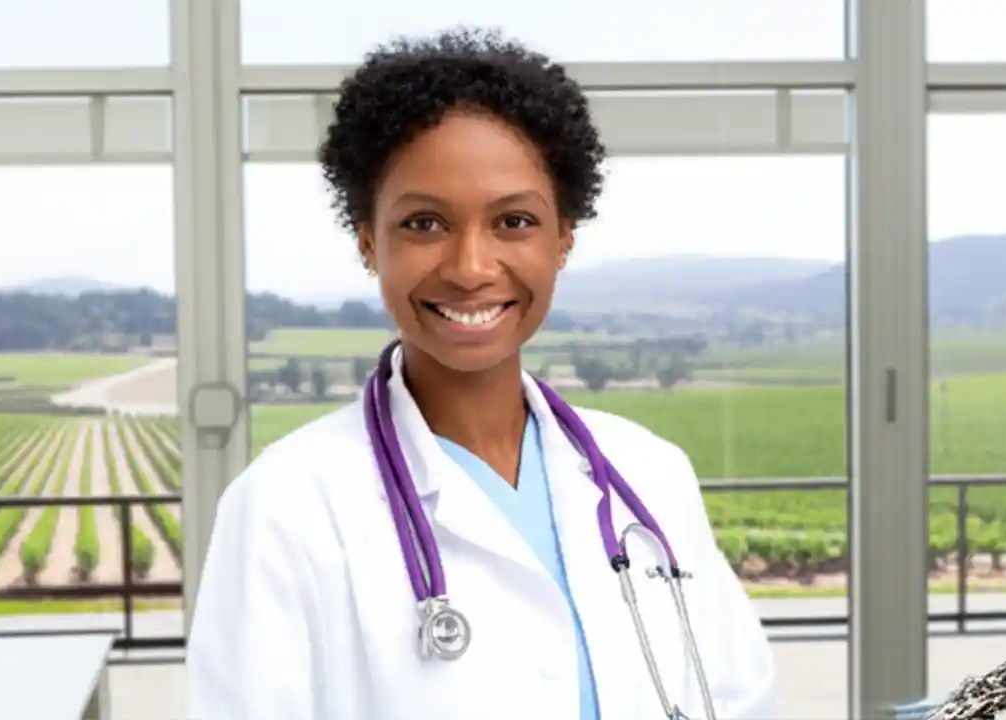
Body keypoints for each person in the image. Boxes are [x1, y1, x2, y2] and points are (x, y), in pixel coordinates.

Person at [185, 27, 776, 720]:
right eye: (425, 224)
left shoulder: (651, 476)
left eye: (515, 221)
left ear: (563, 240)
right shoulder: (286, 506)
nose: (469, 267)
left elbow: (740, 701)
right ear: (369, 241)